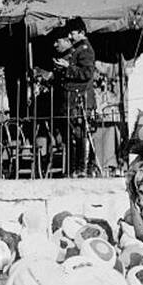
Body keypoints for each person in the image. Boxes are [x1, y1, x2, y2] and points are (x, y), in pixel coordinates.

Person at [36, 16, 96, 175]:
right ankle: (72, 169)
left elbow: (87, 73)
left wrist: (68, 67)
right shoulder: (77, 49)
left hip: (78, 101)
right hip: (69, 102)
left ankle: (80, 168)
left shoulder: (85, 50)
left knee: (78, 136)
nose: (70, 36)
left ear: (82, 32)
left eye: (73, 33)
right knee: (70, 138)